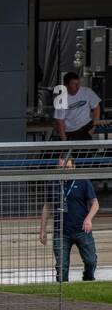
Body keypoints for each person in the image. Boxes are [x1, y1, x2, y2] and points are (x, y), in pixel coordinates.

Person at [39, 153, 100, 282]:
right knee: (61, 267)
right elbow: (47, 207)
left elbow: (95, 204)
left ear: (74, 167)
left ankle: (88, 278)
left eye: (67, 168)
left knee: (90, 261)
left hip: (82, 229)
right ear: (57, 168)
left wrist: (88, 219)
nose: (64, 171)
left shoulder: (83, 181)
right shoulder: (53, 183)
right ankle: (63, 288)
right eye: (61, 168)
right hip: (61, 231)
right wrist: (42, 230)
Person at [54, 72, 102, 142]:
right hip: (70, 132)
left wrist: (94, 126)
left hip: (86, 128)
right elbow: (60, 121)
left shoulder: (87, 91)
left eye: (78, 83)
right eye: (73, 84)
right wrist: (64, 139)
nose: (77, 86)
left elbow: (97, 108)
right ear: (66, 85)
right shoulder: (61, 99)